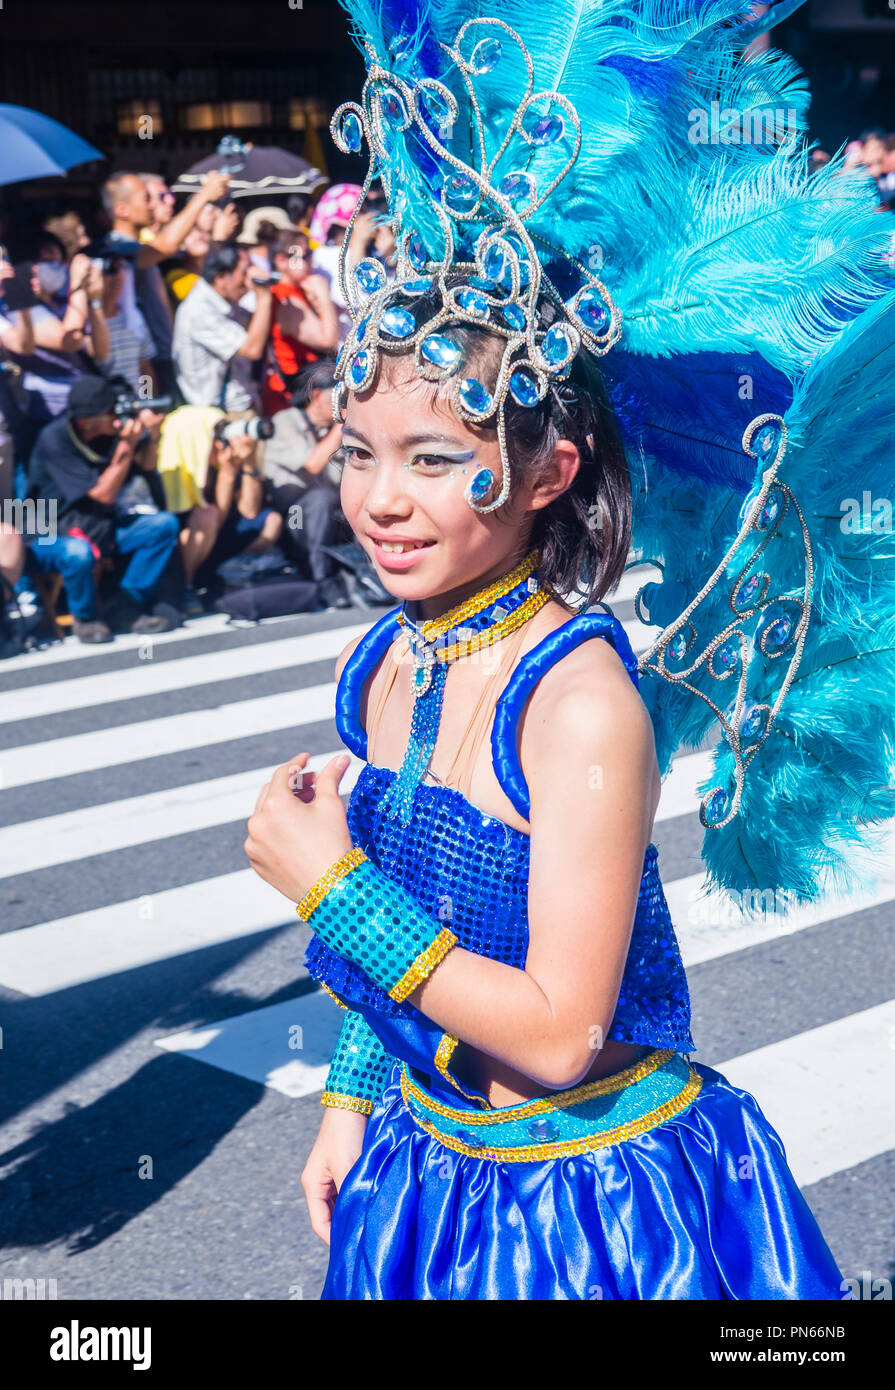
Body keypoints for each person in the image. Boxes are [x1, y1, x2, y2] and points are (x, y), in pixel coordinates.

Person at [243, 1, 895, 1300]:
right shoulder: (382, 660)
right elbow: (411, 933)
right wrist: (348, 1096)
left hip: (590, 1206)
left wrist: (324, 890)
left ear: (549, 467)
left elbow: (554, 1034)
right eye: (361, 449)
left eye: (435, 459)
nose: (379, 499)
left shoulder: (581, 703)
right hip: (422, 1171)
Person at [26, 375, 180, 641]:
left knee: (162, 525)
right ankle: (85, 619)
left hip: (97, 527)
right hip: (47, 533)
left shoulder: (108, 433)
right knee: (77, 552)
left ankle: (126, 604)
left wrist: (153, 435)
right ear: (86, 421)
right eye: (110, 412)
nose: (116, 416)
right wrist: (127, 444)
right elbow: (104, 495)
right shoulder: (55, 439)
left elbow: (146, 465)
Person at [262, 358, 347, 607]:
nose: (345, 403)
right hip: (293, 520)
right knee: (322, 498)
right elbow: (312, 465)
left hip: (330, 518)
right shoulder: (284, 422)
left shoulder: (332, 429)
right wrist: (342, 429)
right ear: (317, 395)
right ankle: (323, 579)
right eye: (339, 395)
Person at [263, 229, 339, 414]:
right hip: (293, 395)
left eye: (310, 255)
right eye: (303, 256)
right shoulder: (286, 300)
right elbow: (329, 342)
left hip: (308, 383)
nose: (310, 262)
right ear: (281, 261)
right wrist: (323, 294)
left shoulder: (297, 291)